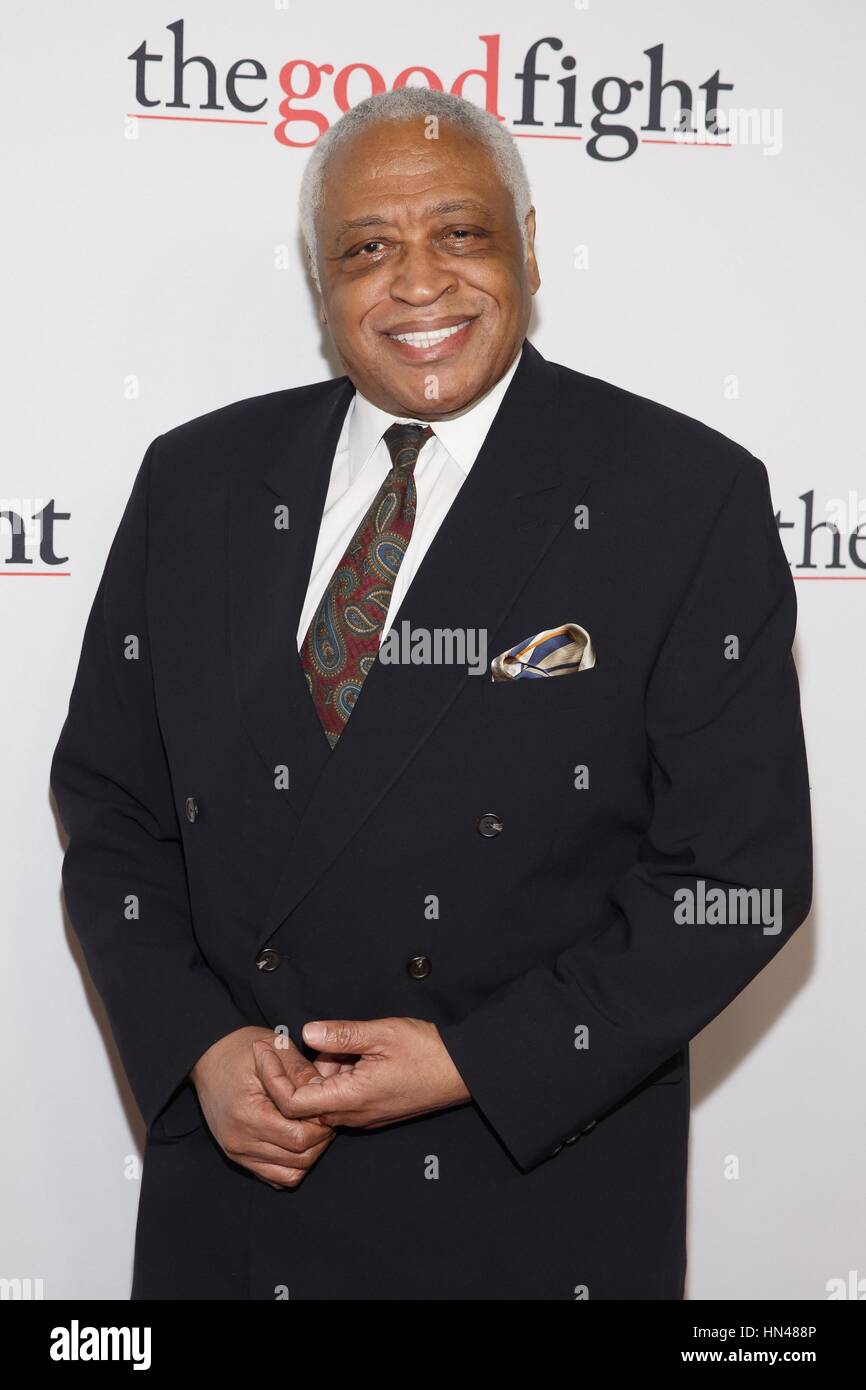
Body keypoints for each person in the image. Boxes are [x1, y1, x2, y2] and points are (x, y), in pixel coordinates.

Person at [50, 88, 812, 1300]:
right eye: (366, 248)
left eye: (458, 234)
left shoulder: (682, 499)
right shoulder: (195, 481)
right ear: (320, 284)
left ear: (524, 245)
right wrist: (193, 1046)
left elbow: (739, 880)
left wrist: (477, 1060)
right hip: (243, 1199)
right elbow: (109, 808)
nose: (416, 283)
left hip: (528, 1195)